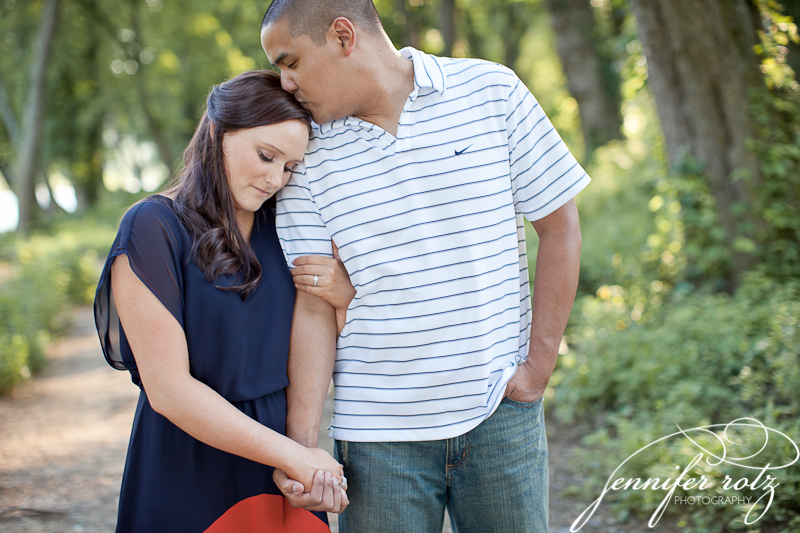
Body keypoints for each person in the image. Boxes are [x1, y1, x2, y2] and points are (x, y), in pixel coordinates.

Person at [260, 1, 590, 532]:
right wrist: (302, 449)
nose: (286, 82)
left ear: (343, 35)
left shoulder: (492, 92)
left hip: (499, 416)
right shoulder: (305, 152)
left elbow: (559, 225)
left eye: (291, 61)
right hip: (378, 440)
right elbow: (315, 305)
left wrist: (539, 366)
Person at [93, 70, 353, 533]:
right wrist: (295, 456)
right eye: (266, 155)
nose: (276, 179)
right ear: (218, 133)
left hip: (283, 463)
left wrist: (297, 457)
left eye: (290, 166)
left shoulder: (288, 224)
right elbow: (170, 391)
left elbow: (322, 330)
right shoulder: (153, 227)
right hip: (186, 463)